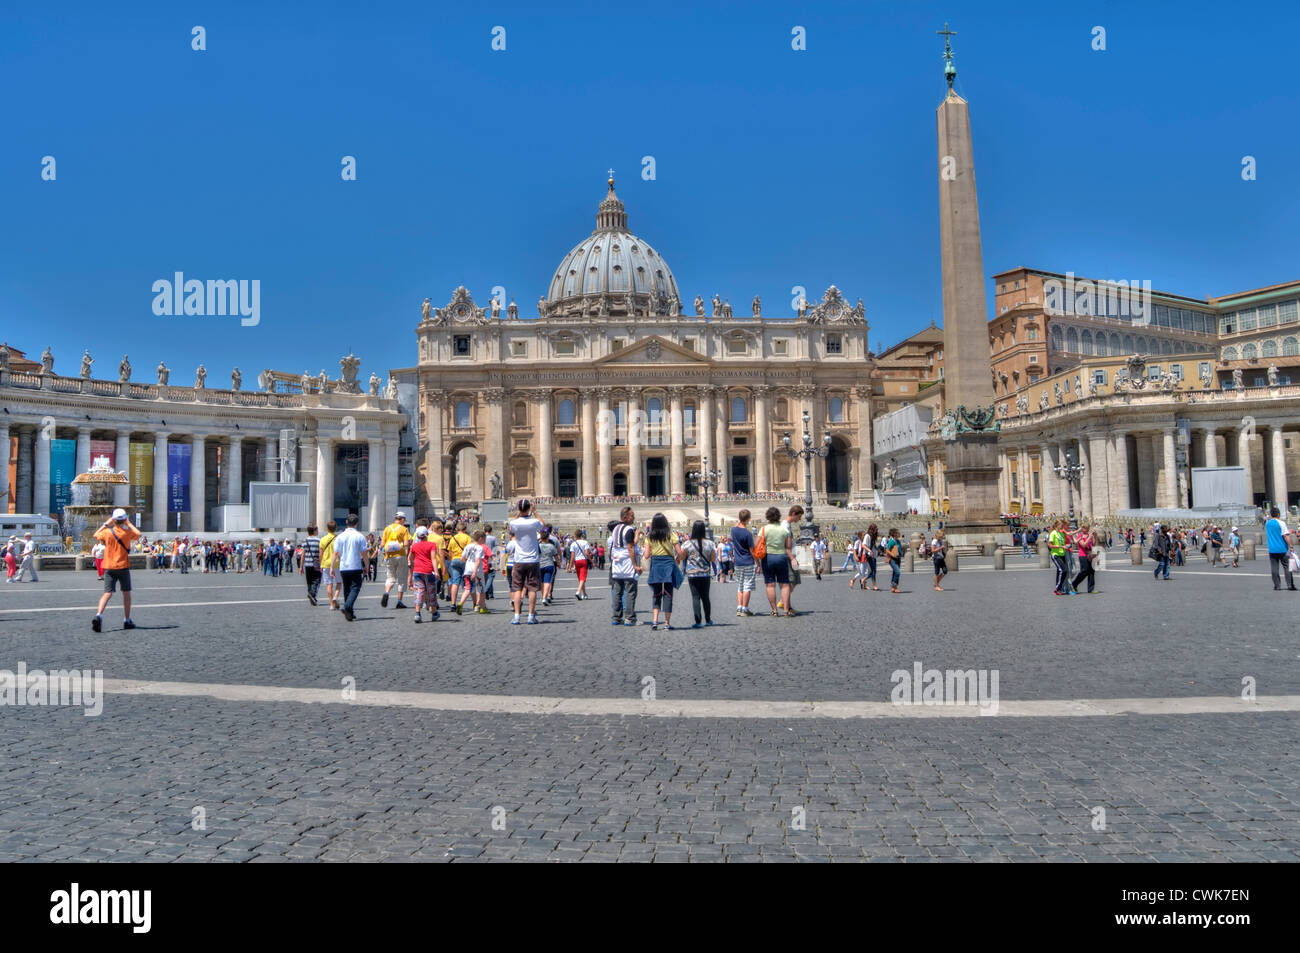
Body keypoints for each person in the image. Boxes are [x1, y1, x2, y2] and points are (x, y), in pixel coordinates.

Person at [91, 509, 141, 631]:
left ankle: (99, 615)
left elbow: (96, 534)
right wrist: (128, 523)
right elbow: (138, 534)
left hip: (108, 566)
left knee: (107, 593)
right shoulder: (126, 533)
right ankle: (126, 620)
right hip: (123, 566)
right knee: (126, 594)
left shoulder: (107, 532)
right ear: (124, 520)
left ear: (114, 520)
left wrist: (107, 523)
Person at [508, 499, 546, 625]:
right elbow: (543, 525)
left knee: (517, 589)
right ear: (529, 508)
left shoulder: (514, 523)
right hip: (533, 560)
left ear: (519, 509)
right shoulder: (534, 522)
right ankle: (530, 615)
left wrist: (519, 513)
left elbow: (510, 527)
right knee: (532, 589)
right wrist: (534, 511)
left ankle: (517, 616)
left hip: (519, 560)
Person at [645, 512, 683, 631]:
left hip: (656, 565)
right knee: (668, 594)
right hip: (668, 565)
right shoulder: (671, 535)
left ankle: (655, 621)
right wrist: (677, 558)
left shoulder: (649, 537)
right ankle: (667, 623)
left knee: (656, 594)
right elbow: (680, 553)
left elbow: (646, 555)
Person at [758, 506, 794, 616]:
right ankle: (786, 611)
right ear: (779, 516)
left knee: (770, 585)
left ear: (767, 516)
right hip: (781, 557)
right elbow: (788, 547)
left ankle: (774, 610)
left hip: (768, 558)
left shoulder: (764, 529)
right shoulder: (784, 529)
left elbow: (756, 545)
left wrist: (757, 561)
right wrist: (792, 559)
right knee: (785, 585)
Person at [332, 513, 368, 621]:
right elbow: (364, 554)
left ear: (346, 522)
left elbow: (335, 553)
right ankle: (347, 606)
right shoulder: (360, 536)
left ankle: (350, 613)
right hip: (355, 566)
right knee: (355, 587)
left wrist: (332, 568)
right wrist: (367, 565)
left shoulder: (339, 537)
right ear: (357, 523)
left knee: (347, 589)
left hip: (343, 567)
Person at [609, 507, 640, 626]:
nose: (634, 518)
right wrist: (635, 565)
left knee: (617, 591)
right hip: (627, 563)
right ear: (625, 517)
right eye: (632, 516)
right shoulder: (629, 529)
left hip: (617, 563)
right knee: (630, 591)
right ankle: (629, 618)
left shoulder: (615, 529)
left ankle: (616, 617)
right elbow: (630, 548)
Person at [684, 520, 717, 628]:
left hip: (692, 574)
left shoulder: (688, 543)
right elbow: (713, 559)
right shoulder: (710, 543)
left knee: (695, 597)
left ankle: (698, 621)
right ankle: (708, 620)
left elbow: (682, 557)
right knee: (705, 597)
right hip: (705, 574)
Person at [380, 511, 411, 609]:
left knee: (390, 577)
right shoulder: (404, 529)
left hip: (389, 555)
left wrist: (383, 552)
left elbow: (382, 544)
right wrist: (406, 554)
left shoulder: (387, 528)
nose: (404, 521)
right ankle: (399, 601)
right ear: (401, 519)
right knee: (402, 578)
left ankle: (387, 592)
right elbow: (406, 543)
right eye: (404, 520)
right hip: (401, 554)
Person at [730, 509, 757, 617]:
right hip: (748, 562)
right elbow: (752, 551)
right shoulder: (748, 534)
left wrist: (740, 521)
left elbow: (736, 525)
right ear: (748, 519)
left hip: (738, 562)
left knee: (740, 586)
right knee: (747, 586)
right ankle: (745, 609)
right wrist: (758, 563)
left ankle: (739, 607)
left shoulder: (733, 530)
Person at [445, 521, 474, 615]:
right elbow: (470, 551)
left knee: (455, 582)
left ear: (457, 529)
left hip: (454, 560)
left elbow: (449, 552)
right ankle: (475, 603)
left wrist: (452, 559)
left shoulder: (453, 538)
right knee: (470, 582)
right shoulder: (468, 538)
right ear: (465, 529)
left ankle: (453, 604)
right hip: (465, 561)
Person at [1265, 506, 1296, 591]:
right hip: (1282, 548)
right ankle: (1290, 585)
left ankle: (1277, 585)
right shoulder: (1281, 523)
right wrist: (1291, 546)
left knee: (1274, 568)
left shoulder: (1267, 523)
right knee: (1286, 567)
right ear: (1278, 514)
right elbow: (1286, 535)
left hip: (1272, 549)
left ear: (1271, 515)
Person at [319, 520, 340, 610]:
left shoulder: (322, 539)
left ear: (327, 529)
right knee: (339, 582)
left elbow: (320, 553)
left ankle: (331, 604)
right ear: (336, 528)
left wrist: (320, 564)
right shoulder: (338, 539)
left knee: (329, 584)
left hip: (326, 564)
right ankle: (335, 596)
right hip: (337, 563)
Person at [1071, 522, 1097, 594]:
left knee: (1091, 571)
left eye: (1088, 528)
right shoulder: (1080, 535)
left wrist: (1095, 536)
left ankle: (1091, 589)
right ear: (1083, 528)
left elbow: (1093, 544)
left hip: (1089, 555)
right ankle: (1074, 584)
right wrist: (1089, 537)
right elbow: (1083, 545)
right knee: (1084, 571)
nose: (1087, 529)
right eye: (1086, 528)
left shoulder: (1089, 535)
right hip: (1082, 555)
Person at [301, 524, 322, 604]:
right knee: (316, 580)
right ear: (314, 531)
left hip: (307, 564)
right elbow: (320, 554)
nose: (318, 531)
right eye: (317, 530)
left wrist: (300, 566)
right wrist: (321, 563)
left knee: (309, 581)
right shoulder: (319, 540)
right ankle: (312, 594)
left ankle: (312, 597)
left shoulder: (305, 540)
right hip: (316, 564)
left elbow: (303, 554)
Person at [569, 529, 592, 600]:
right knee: (582, 578)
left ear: (575, 535)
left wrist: (570, 566)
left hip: (577, 561)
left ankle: (584, 594)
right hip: (583, 561)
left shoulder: (573, 544)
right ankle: (578, 591)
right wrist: (591, 561)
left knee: (580, 579)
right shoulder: (585, 542)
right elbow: (587, 553)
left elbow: (572, 556)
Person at [538, 528, 559, 607]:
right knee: (547, 582)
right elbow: (556, 556)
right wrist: (559, 563)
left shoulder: (538, 546)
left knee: (542, 582)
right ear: (547, 538)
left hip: (539, 565)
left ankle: (543, 596)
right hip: (549, 565)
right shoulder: (551, 546)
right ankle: (545, 597)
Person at [1049, 520, 1069, 595]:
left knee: (1059, 571)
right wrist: (1061, 546)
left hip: (1062, 554)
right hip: (1055, 554)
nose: (1062, 526)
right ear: (1057, 525)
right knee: (1063, 570)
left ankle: (1058, 589)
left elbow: (1063, 543)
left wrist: (1066, 546)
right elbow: (1050, 545)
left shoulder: (1061, 533)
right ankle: (1057, 588)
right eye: (1061, 525)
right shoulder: (1053, 533)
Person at [482, 524, 498, 600]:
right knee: (491, 577)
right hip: (492, 559)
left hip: (484, 559)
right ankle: (486, 590)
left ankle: (490, 593)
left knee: (486, 577)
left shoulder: (482, 538)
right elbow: (496, 548)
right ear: (491, 531)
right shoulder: (493, 538)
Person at [884, 528, 902, 593]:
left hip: (898, 558)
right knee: (898, 572)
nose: (899, 533)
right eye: (898, 532)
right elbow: (887, 549)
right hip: (892, 559)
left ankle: (893, 587)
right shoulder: (891, 541)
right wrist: (892, 554)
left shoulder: (898, 541)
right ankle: (895, 586)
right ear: (894, 534)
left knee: (895, 572)